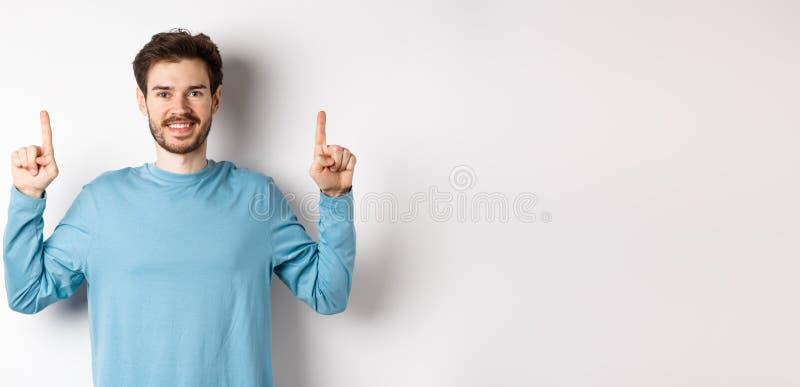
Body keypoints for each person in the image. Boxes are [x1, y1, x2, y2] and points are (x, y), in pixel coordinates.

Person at [3, 28, 357, 387]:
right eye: (163, 93)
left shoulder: (257, 197)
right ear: (143, 102)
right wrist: (27, 197)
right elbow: (27, 293)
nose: (180, 108)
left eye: (195, 92)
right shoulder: (101, 201)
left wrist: (335, 199)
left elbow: (328, 294)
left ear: (216, 99)